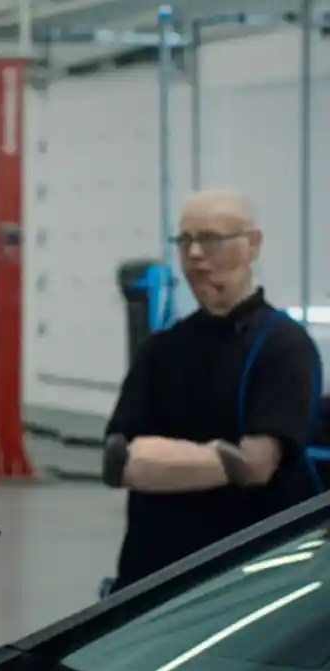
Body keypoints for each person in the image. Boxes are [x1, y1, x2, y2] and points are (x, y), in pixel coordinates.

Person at [102, 188, 323, 591]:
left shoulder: (285, 348)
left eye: (211, 239)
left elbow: (256, 465)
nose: (195, 255)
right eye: (185, 241)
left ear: (252, 245)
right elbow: (117, 461)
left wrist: (155, 459)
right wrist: (220, 460)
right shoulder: (161, 349)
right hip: (150, 578)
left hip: (245, 582)